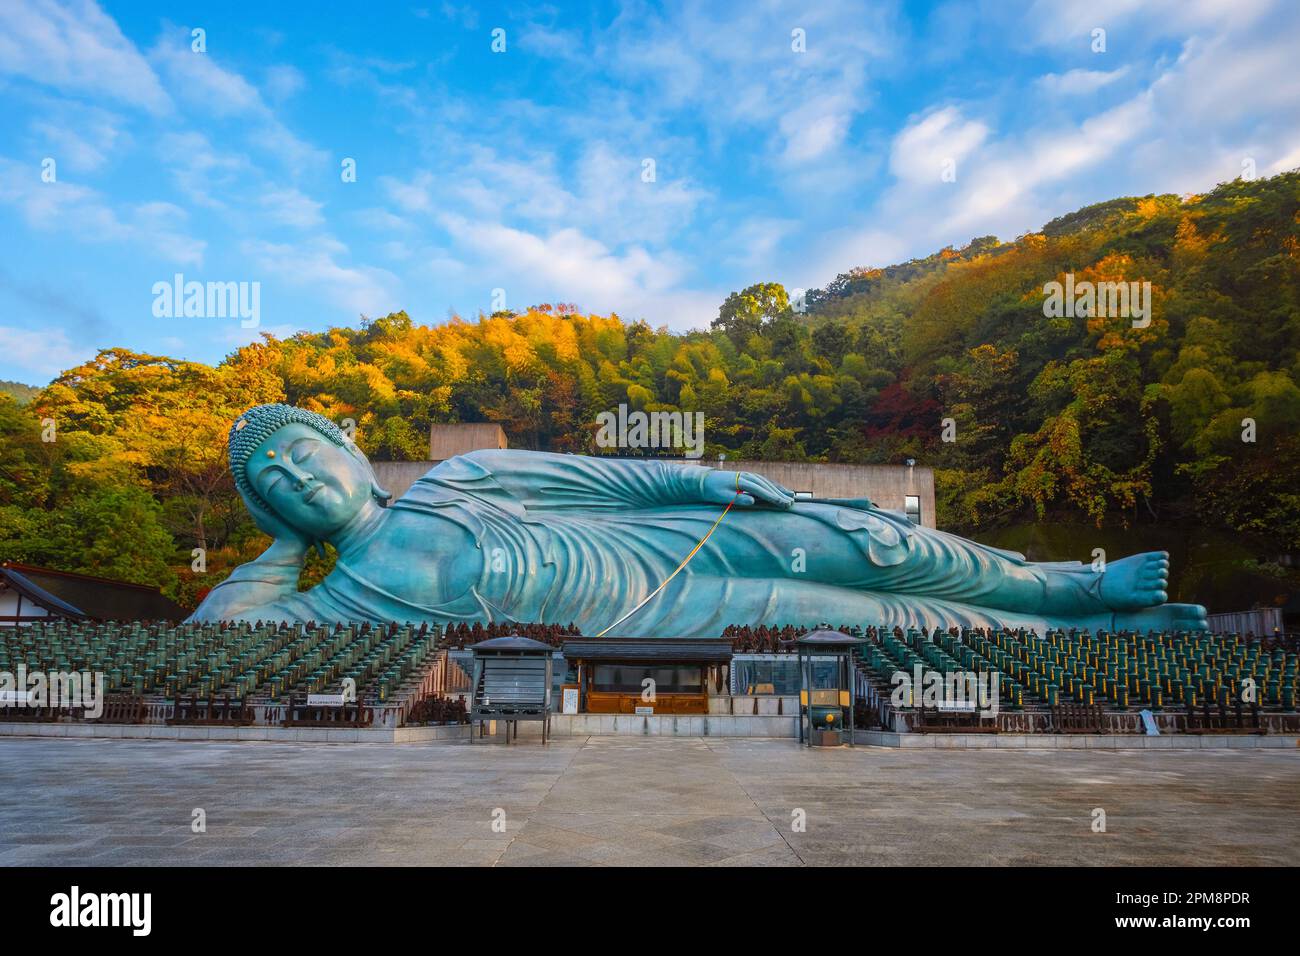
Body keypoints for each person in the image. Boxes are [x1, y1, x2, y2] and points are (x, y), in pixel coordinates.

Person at [188, 404, 1208, 636]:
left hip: (664, 539)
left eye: (302, 449)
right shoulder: (338, 595)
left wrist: (708, 485)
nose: (296, 476)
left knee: (866, 543)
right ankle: (1085, 628)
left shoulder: (469, 473)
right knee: (869, 618)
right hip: (646, 617)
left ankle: (1064, 581)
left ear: (350, 445)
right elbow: (213, 636)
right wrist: (281, 551)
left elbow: (610, 480)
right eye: (273, 479)